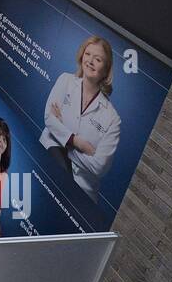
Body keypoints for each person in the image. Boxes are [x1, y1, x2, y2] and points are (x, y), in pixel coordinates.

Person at [40, 35, 121, 203]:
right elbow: (49, 118)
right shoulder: (66, 80)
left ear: (106, 69)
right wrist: (79, 143)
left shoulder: (112, 118)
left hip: (81, 190)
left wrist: (63, 137)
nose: (90, 61)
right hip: (48, 166)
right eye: (88, 54)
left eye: (98, 59)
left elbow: (99, 167)